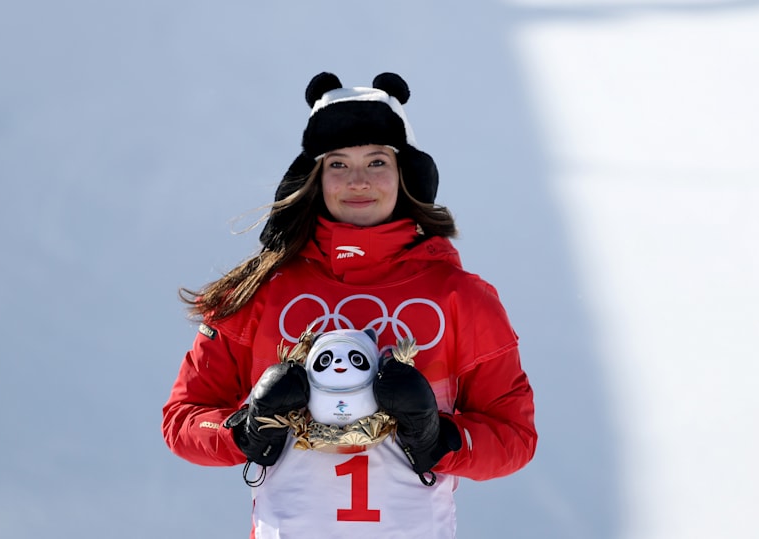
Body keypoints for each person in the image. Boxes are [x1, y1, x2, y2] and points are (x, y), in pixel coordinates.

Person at [162, 72, 537, 538]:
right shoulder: (261, 291)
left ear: (407, 175)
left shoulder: (462, 298)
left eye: (377, 161)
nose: (357, 181)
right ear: (314, 179)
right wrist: (245, 430)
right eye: (337, 164)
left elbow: (515, 437)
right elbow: (182, 420)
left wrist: (439, 439)